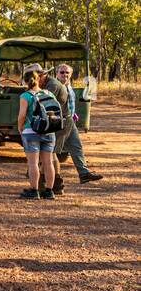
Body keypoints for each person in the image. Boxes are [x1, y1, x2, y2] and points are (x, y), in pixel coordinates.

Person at [54, 64, 104, 184]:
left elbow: (70, 105)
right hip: (60, 123)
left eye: (67, 73)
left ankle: (83, 173)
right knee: (53, 150)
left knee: (76, 147)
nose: (65, 75)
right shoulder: (55, 87)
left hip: (70, 122)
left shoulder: (69, 87)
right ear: (56, 74)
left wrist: (73, 114)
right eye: (62, 72)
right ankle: (42, 174)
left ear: (71, 74)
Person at [27, 63, 69, 194]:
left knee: (48, 155)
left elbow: (42, 105)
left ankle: (43, 185)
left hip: (57, 123)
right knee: (52, 154)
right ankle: (54, 185)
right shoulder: (46, 86)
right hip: (53, 121)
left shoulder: (52, 86)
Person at [16, 68, 58, 200]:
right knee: (48, 162)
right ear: (39, 79)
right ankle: (49, 190)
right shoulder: (49, 93)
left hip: (31, 131)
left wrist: (20, 127)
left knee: (33, 163)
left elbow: (22, 115)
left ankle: (34, 191)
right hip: (49, 131)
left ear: (25, 81)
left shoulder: (25, 96)